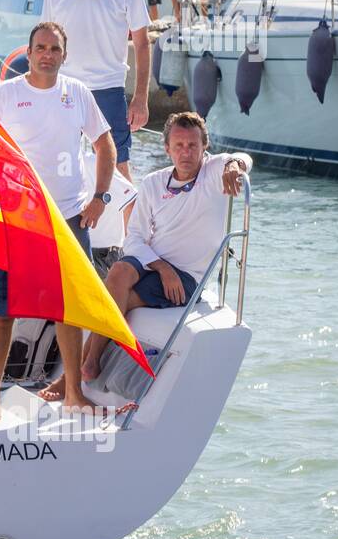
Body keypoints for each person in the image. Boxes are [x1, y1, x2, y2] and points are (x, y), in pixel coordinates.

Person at [0, 21, 117, 421]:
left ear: (64, 54)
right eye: (41, 48)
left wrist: (100, 198)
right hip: (16, 219)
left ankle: (74, 392)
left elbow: (104, 145)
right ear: (30, 51)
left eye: (54, 48)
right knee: (2, 311)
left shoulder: (79, 94)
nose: (47, 55)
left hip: (68, 217)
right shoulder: (5, 95)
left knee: (69, 309)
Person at [80, 112, 251, 380]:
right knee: (118, 273)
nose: (186, 153)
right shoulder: (153, 182)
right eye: (179, 146)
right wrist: (160, 267)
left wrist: (234, 165)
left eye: (193, 145)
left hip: (186, 275)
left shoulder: (214, 172)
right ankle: (88, 365)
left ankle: (83, 367)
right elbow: (134, 236)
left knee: (121, 301)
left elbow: (244, 159)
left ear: (204, 146)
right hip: (154, 261)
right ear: (167, 149)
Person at [41, 0, 151, 182]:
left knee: (118, 167)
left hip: (109, 89)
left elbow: (142, 44)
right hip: (64, 89)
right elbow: (44, 42)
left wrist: (140, 98)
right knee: (58, 165)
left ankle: (129, 226)